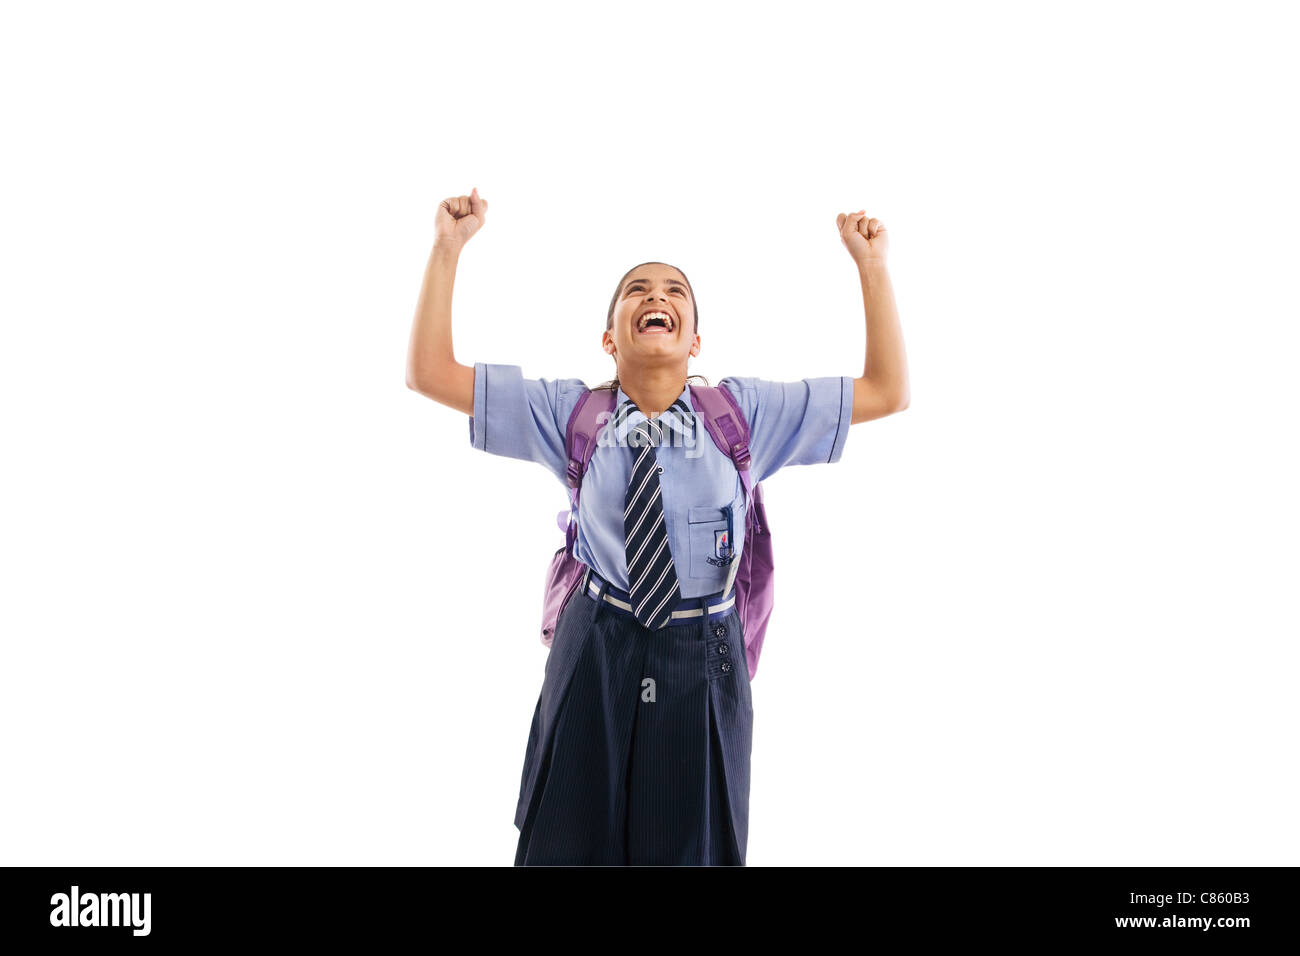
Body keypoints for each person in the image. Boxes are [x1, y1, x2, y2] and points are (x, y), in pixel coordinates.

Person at [406, 188, 909, 865]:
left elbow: (887, 389)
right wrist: (447, 248)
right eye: (637, 290)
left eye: (675, 291)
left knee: (689, 845)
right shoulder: (571, 416)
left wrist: (870, 266)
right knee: (566, 842)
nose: (657, 296)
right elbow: (428, 372)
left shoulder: (743, 414)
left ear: (694, 337)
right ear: (611, 337)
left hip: (701, 654)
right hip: (595, 643)